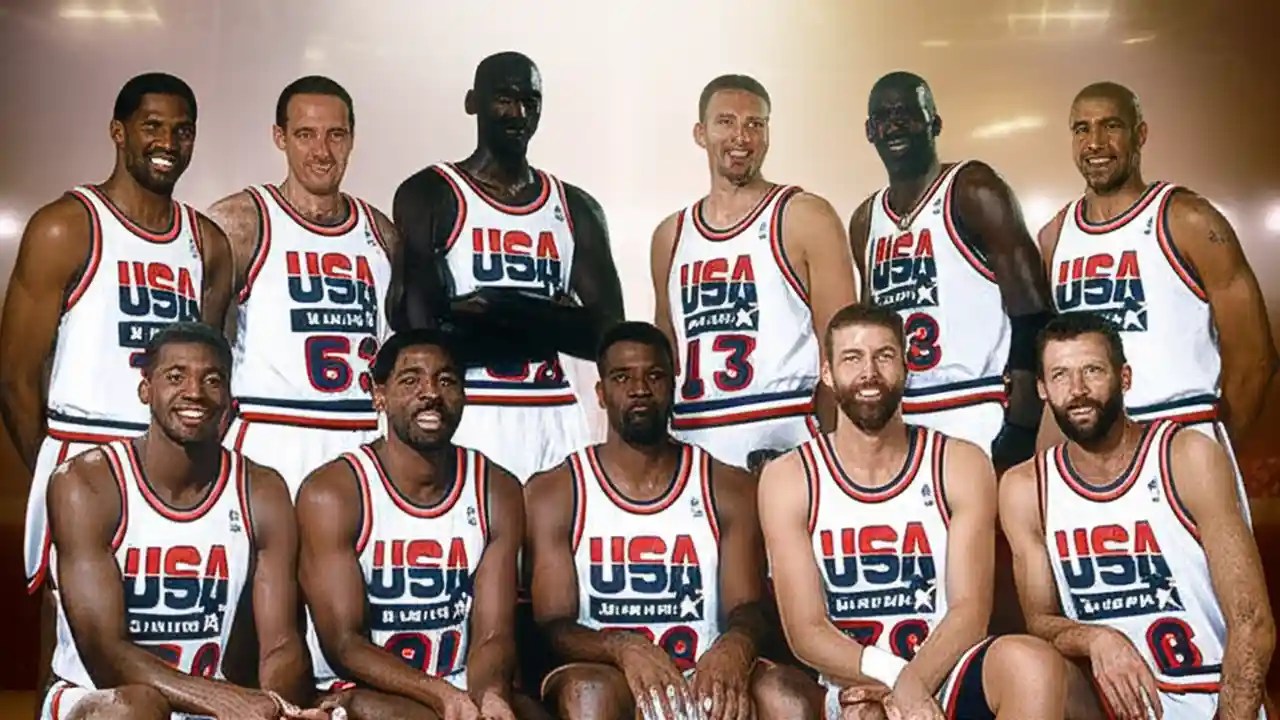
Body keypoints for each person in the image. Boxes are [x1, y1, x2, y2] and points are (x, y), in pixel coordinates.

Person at [0, 74, 235, 689]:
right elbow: (15, 377)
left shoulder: (205, 243)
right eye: (152, 125)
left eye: (182, 129)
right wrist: (58, 475)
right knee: (69, 644)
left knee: (174, 633)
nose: (168, 141)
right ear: (118, 131)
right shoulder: (66, 225)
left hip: (172, 465)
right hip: (84, 447)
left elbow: (204, 378)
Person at [757, 303, 1070, 720]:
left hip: (945, 670)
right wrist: (895, 682)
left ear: (906, 367)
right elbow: (806, 631)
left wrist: (913, 690)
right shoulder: (788, 477)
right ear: (827, 374)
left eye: (884, 356)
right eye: (852, 358)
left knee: (1032, 665)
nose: (869, 371)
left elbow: (969, 611)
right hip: (850, 680)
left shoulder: (958, 462)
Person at [524, 322, 815, 719]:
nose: (640, 388)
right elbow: (554, 625)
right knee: (587, 693)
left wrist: (735, 645)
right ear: (601, 393)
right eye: (622, 377)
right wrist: (620, 646)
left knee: (787, 695)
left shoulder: (727, 486)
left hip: (705, 668)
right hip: (608, 673)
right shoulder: (557, 492)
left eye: (655, 375)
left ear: (674, 384)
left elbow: (746, 605)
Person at [39, 323, 328, 720]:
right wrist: (228, 701)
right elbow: (104, 652)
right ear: (146, 390)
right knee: (137, 707)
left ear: (228, 397)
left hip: (214, 707)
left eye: (212, 380)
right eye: (175, 377)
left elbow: (280, 643)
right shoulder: (86, 484)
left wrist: (275, 706)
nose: (194, 392)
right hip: (99, 701)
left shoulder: (261, 489)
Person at [1000, 313, 1276, 720]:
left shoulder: (1186, 456)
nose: (1077, 391)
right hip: (1113, 707)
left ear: (1124, 378)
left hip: (1209, 696)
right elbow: (1041, 621)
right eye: (1060, 375)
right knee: (1021, 660)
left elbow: (1253, 624)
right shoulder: (1025, 487)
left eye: (1092, 370)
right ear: (1042, 389)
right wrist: (1097, 638)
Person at [389, 50, 624, 483]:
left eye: (531, 101)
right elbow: (425, 334)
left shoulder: (575, 206)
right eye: (504, 98)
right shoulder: (430, 193)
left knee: (557, 550)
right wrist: (555, 320)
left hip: (555, 417)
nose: (518, 113)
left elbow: (607, 335)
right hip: (470, 414)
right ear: (472, 102)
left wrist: (493, 307)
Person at [296, 329, 543, 720]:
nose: (431, 393)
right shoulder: (334, 492)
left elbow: (493, 633)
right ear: (379, 395)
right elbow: (344, 644)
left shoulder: (497, 488)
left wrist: (492, 695)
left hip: (461, 686)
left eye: (446, 380)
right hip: (363, 693)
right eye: (411, 380)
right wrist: (439, 695)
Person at [1039, 81, 1277, 473]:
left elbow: (1255, 359)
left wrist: (1215, 453)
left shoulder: (1187, 219)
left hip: (1182, 435)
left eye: (1111, 125)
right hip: (1093, 456)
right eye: (1082, 129)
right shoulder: (1054, 236)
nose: (1095, 142)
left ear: (1140, 135)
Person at [651, 74, 859, 474]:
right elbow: (667, 355)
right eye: (726, 122)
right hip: (697, 441)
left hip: (787, 437)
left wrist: (837, 460)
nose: (741, 137)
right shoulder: (670, 236)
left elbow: (844, 351)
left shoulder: (804, 216)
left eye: (755, 124)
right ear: (700, 133)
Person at [847, 71, 1052, 474]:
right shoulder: (865, 220)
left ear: (934, 122)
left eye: (908, 112)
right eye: (884, 116)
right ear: (870, 131)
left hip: (978, 408)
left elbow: (1034, 315)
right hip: (902, 419)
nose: (895, 124)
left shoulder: (973, 189)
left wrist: (1022, 427)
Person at [207, 75, 397, 493]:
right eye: (306, 134)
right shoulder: (241, 222)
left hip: (359, 436)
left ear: (351, 139)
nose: (322, 151)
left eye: (335, 135)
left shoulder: (381, 232)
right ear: (280, 137)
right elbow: (199, 344)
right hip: (268, 433)